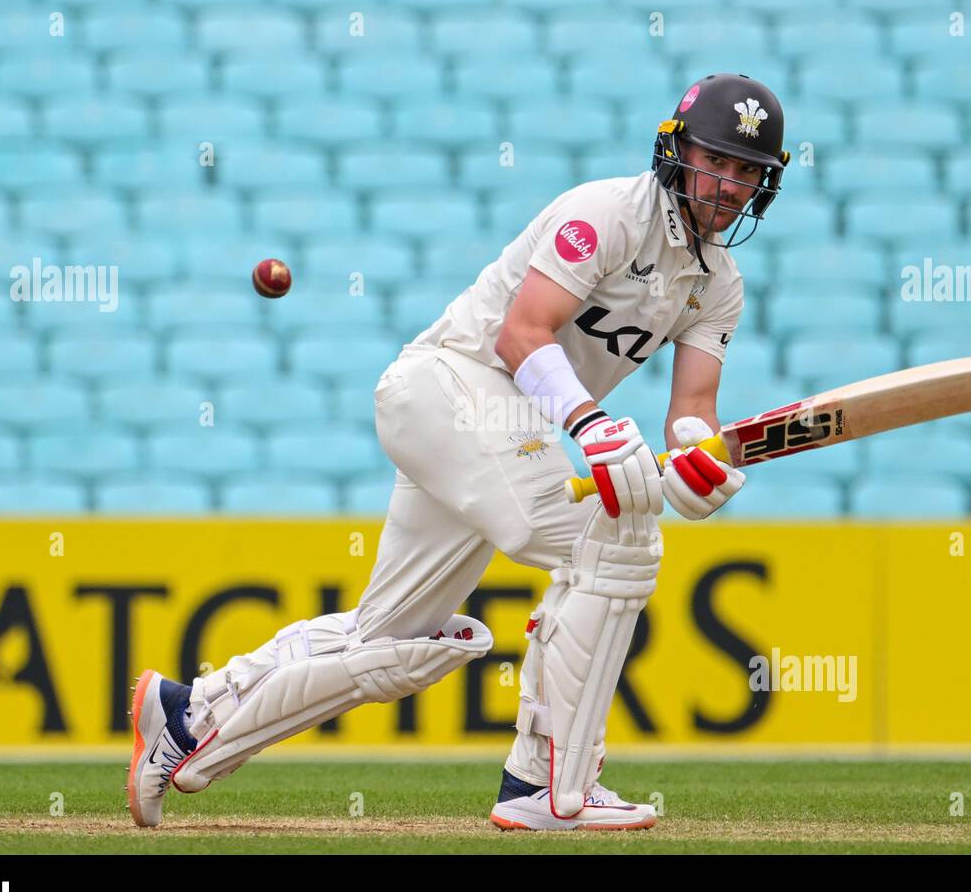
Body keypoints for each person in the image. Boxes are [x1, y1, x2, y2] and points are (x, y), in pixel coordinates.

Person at [127, 73, 788, 831]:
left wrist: (700, 466)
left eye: (748, 172)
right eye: (718, 161)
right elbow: (520, 336)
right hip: (454, 388)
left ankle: (185, 716)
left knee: (392, 640)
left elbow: (693, 413)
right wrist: (590, 424)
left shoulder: (718, 284)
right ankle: (547, 784)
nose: (730, 185)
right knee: (614, 542)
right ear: (676, 152)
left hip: (499, 431)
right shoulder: (604, 214)